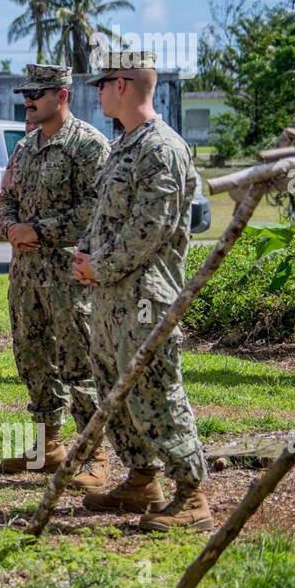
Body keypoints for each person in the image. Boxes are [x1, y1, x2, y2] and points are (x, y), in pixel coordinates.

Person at [73, 51, 212, 531]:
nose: (98, 92)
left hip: (146, 296)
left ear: (125, 85)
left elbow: (150, 226)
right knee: (116, 388)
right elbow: (106, 216)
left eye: (103, 83)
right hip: (112, 295)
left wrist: (101, 266)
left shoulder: (161, 147)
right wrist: (86, 258)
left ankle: (191, 492)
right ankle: (141, 478)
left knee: (156, 391)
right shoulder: (124, 144)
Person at [0, 64, 110, 485]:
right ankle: (48, 447)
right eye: (26, 93)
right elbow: (5, 195)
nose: (28, 100)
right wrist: (10, 227)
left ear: (62, 94)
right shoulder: (25, 147)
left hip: (68, 274)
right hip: (26, 274)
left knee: (78, 362)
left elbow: (97, 208)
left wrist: (40, 231)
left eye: (37, 93)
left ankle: (93, 453)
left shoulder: (88, 145)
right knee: (33, 358)